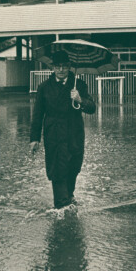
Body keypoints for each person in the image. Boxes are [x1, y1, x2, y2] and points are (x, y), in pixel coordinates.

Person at [29, 51, 96, 209]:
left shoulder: (79, 85)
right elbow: (38, 114)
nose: (61, 70)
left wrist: (80, 100)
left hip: (74, 132)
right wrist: (34, 139)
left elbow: (92, 108)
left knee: (73, 166)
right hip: (54, 133)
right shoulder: (44, 87)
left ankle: (69, 195)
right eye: (57, 66)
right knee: (57, 169)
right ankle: (61, 206)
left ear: (69, 67)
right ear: (52, 68)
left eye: (64, 66)